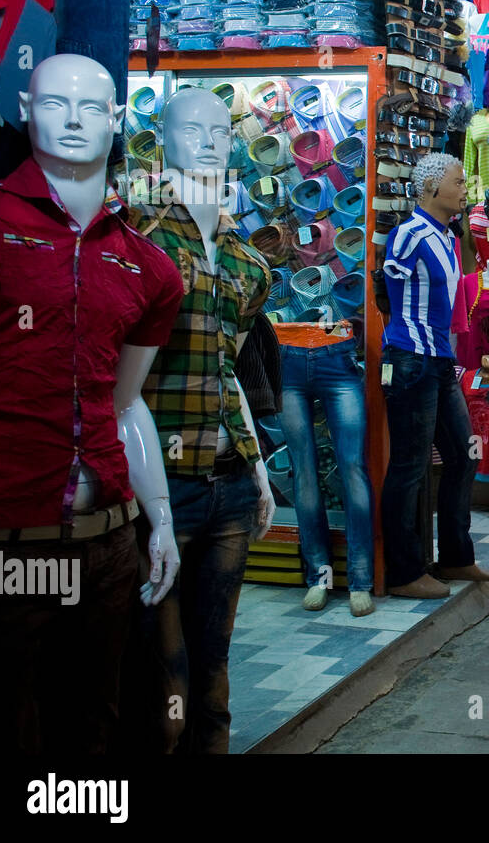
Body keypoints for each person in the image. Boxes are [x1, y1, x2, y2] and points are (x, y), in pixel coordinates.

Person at [0, 55, 183, 753]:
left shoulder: (148, 267)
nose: (71, 119)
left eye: (91, 107)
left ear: (117, 121)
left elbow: (123, 404)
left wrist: (159, 519)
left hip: (109, 537)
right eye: (54, 103)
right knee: (10, 720)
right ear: (26, 110)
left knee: (96, 723)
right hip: (9, 535)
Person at [126, 87, 275, 754]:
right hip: (166, 477)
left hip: (231, 480)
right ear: (163, 138)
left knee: (214, 661)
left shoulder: (247, 263)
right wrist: (151, 504)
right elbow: (121, 389)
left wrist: (260, 468)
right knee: (163, 668)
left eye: (221, 128)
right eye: (193, 128)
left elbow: (227, 372)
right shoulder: (141, 244)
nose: (211, 140)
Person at [380, 153, 489, 600]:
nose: (465, 188)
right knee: (409, 467)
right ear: (430, 189)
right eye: (458, 181)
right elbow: (388, 292)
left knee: (464, 455)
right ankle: (404, 572)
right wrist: (407, 341)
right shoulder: (407, 235)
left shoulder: (446, 237)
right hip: (411, 361)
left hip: (439, 361)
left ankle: (455, 556)